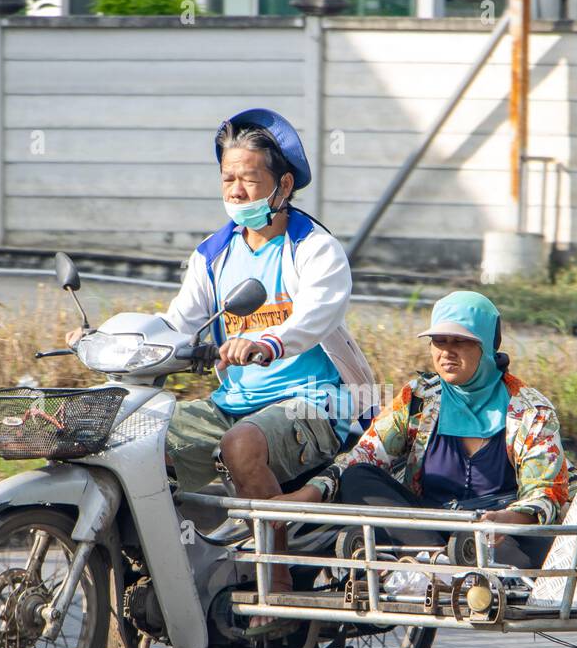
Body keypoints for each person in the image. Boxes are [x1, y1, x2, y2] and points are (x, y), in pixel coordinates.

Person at [72, 108, 376, 601]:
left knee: (242, 446)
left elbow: (314, 316)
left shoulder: (315, 249)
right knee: (132, 439)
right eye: (227, 178)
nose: (236, 190)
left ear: (284, 184)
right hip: (233, 403)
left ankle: (275, 579)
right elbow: (177, 323)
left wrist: (267, 342)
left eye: (250, 179)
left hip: (315, 405)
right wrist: (105, 337)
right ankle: (161, 569)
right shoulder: (213, 254)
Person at [276, 291, 575, 569]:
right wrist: (309, 493)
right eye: (439, 341)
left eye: (459, 342)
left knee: (529, 558)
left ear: (486, 345)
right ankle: (435, 564)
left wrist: (504, 520)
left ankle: (432, 566)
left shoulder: (530, 409)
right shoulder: (419, 397)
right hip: (424, 529)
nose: (446, 352)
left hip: (496, 535)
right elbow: (365, 455)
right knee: (358, 477)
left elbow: (546, 493)